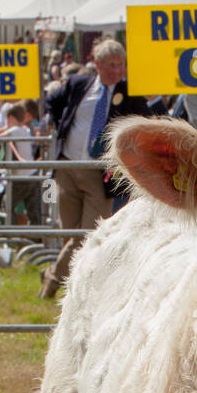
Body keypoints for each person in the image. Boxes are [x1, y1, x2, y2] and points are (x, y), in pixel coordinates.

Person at [41, 38, 152, 298]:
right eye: (111, 65)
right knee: (69, 231)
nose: (117, 70)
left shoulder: (130, 93)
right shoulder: (78, 84)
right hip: (67, 165)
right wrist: (57, 123)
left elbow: (148, 120)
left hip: (99, 173)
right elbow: (52, 102)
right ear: (97, 64)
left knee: (87, 235)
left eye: (121, 64)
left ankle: (54, 278)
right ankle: (77, 286)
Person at [0, 101, 42, 225]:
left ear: (11, 118)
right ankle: (38, 239)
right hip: (32, 174)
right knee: (33, 210)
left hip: (21, 177)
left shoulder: (14, 130)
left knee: (5, 204)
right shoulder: (24, 130)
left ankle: (13, 235)